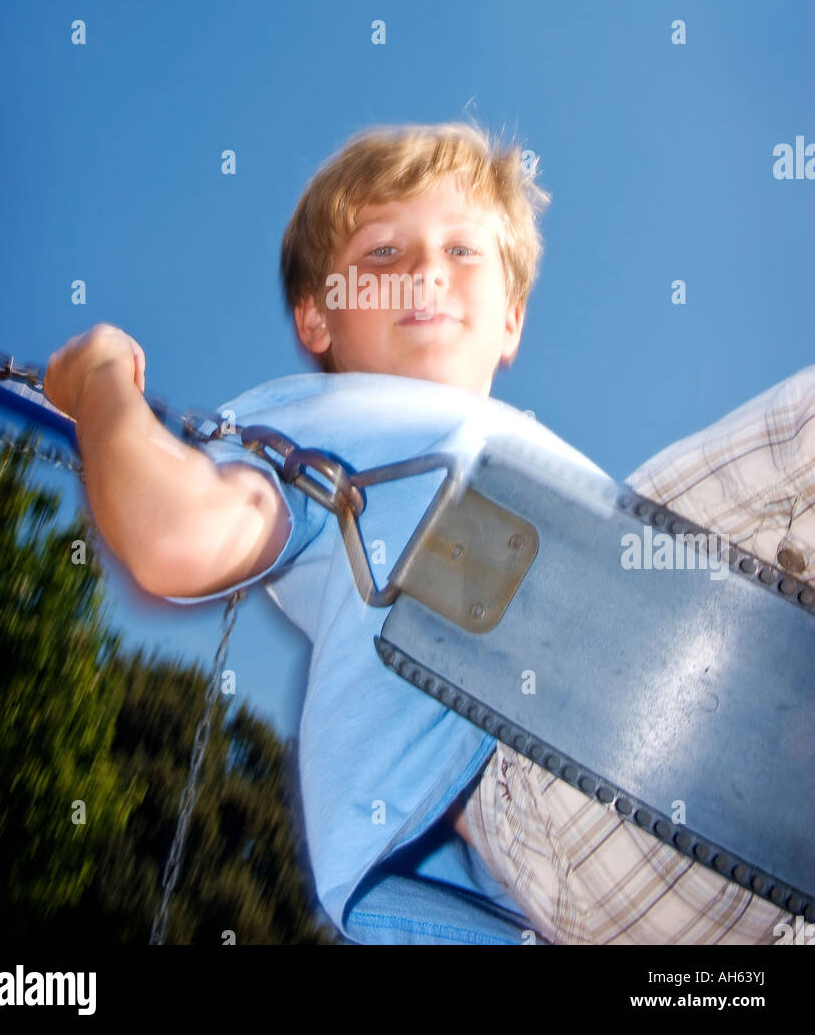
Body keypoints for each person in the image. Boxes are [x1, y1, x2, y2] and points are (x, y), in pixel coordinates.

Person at [43, 120, 813, 945]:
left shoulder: (528, 464)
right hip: (573, 776)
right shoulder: (302, 428)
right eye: (381, 254)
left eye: (463, 250)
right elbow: (179, 539)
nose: (423, 270)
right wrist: (99, 381)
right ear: (316, 319)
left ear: (510, 319)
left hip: (726, 851)